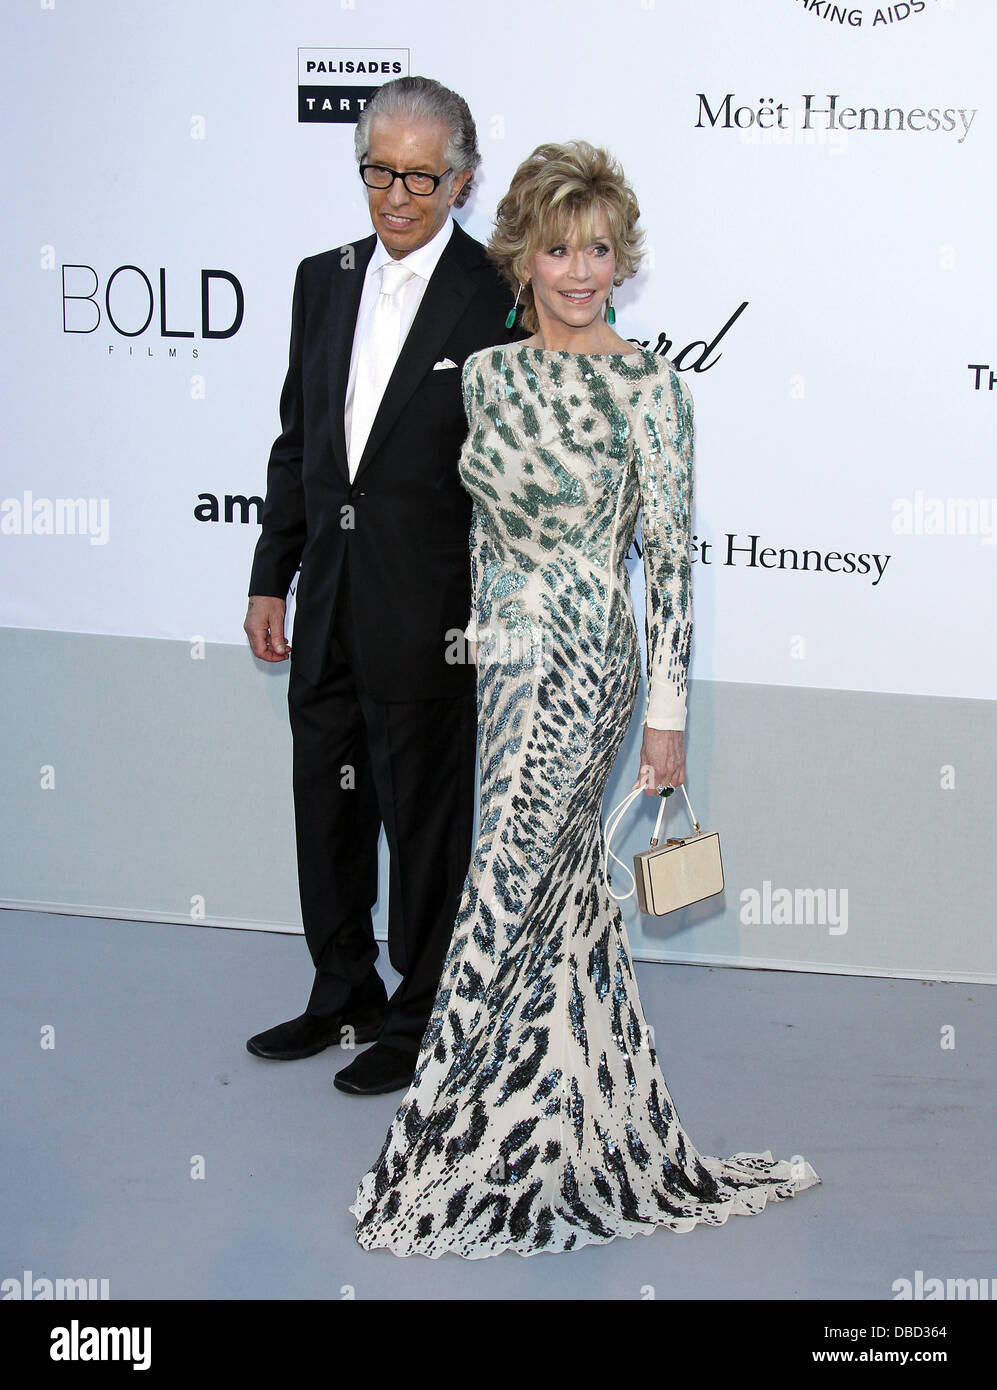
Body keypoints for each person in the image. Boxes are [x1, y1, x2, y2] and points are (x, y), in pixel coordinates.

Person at [350, 141, 821, 1256]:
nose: (577, 271)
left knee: (505, 873)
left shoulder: (651, 389)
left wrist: (667, 713)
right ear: (522, 252)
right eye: (557, 248)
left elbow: (667, 558)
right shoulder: (484, 376)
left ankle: (441, 1140)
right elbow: (472, 537)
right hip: (502, 654)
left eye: (598, 250)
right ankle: (564, 1124)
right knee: (558, 895)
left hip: (585, 658)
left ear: (622, 260)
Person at [243, 77, 516, 1096]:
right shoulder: (323, 279)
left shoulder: (500, 293)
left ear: (463, 179)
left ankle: (421, 1011)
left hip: (434, 608)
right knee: (329, 798)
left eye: (420, 175)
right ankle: (341, 989)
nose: (395, 194)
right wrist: (274, 573)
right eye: (378, 170)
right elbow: (298, 441)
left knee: (427, 816)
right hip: (329, 601)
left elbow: (516, 475)